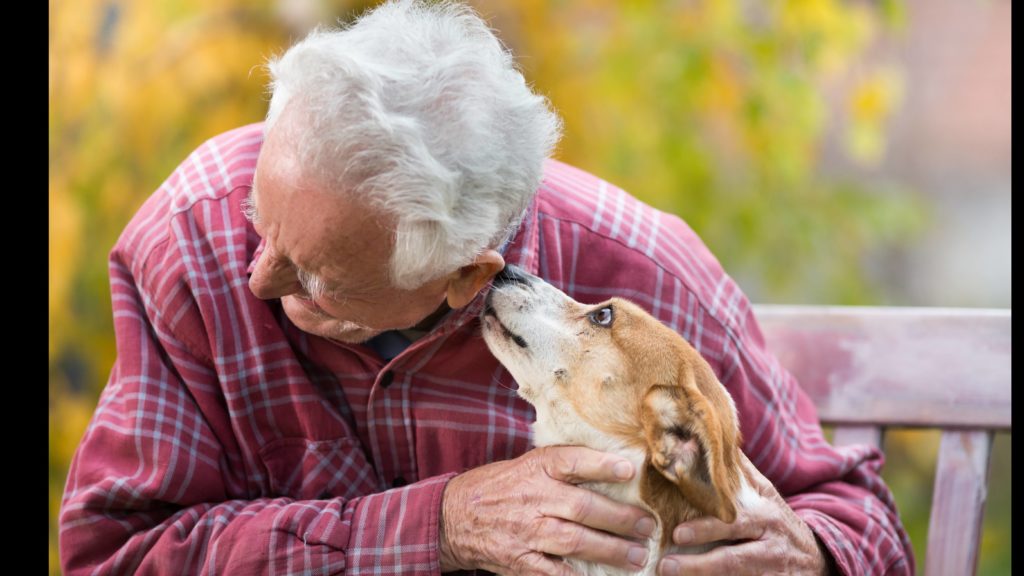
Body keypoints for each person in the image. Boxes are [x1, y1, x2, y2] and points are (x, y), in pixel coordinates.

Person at [59, 1, 914, 574]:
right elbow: (114, 554)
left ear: (469, 270)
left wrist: (807, 553)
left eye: (320, 275)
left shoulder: (636, 281)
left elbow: (866, 526)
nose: (258, 274)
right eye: (260, 215)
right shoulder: (191, 236)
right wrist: (434, 526)